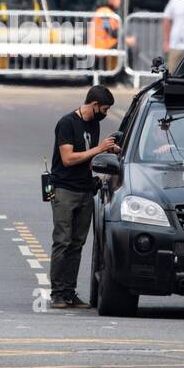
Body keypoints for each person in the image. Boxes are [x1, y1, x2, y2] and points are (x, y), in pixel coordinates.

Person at [48, 85, 118, 310]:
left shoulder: (93, 124)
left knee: (77, 244)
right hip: (65, 190)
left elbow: (88, 158)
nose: (105, 113)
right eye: (104, 109)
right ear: (94, 104)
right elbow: (67, 158)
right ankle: (57, 292)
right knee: (63, 241)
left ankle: (69, 291)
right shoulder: (67, 123)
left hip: (85, 190)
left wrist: (107, 151)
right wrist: (99, 149)